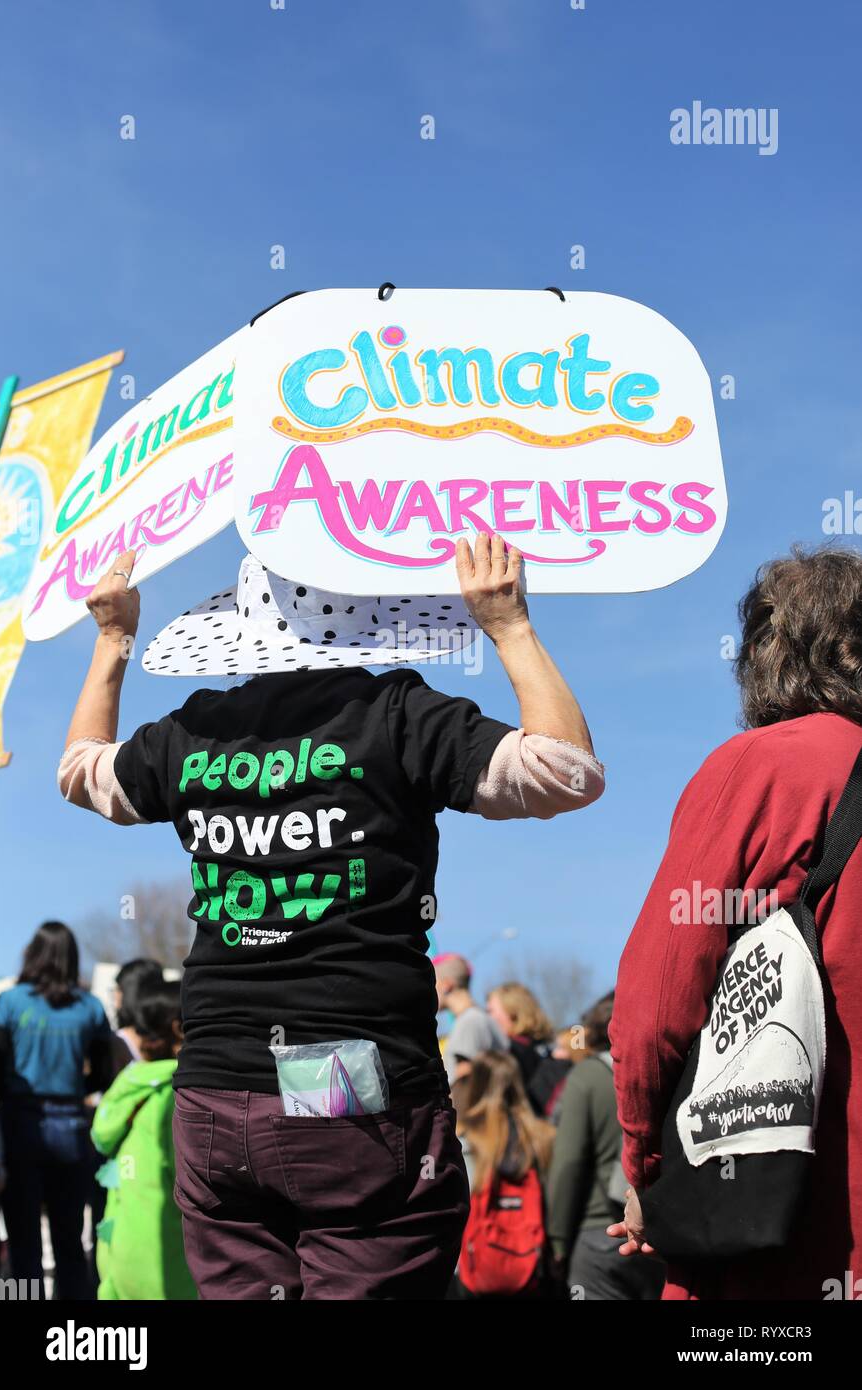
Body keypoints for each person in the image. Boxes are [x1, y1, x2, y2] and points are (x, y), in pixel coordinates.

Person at [57, 533, 605, 1301]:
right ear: (362, 620)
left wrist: (114, 640)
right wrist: (509, 626)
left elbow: (81, 774)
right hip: (351, 1088)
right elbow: (566, 773)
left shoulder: (191, 734)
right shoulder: (397, 717)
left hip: (216, 1095)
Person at [610, 546, 862, 1299]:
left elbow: (657, 998)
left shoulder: (766, 767)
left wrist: (649, 1170)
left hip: (786, 1217)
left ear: (768, 654)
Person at [0, 921, 113, 1300]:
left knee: (23, 1239)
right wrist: (74, 1090)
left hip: (19, 1124)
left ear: (32, 953)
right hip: (73, 1127)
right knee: (68, 1238)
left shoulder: (11, 1002)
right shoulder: (91, 1008)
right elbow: (104, 1073)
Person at [547, 992, 664, 1299]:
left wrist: (557, 1240)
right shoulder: (663, 1071)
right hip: (658, 1235)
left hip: (600, 1233)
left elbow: (568, 1163)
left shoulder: (587, 1077)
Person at [92, 980, 196, 1300]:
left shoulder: (127, 1085)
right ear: (180, 1030)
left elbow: (101, 1136)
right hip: (166, 1261)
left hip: (118, 1252)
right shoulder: (175, 1096)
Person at [453, 1050, 556, 1299]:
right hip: (531, 1264)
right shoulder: (544, 1137)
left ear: (477, 1085)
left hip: (474, 1268)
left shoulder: (464, 1140)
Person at [435, 954, 509, 1086]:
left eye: (432, 983)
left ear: (446, 985)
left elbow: (465, 1081)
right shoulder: (478, 1018)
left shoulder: (469, 1022)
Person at [486, 981, 555, 1105]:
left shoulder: (512, 1051)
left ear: (513, 1012)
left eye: (491, 1011)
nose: (488, 1017)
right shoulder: (546, 1046)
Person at [110, 958, 165, 1073]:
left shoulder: (118, 1042)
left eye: (120, 988)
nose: (115, 994)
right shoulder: (171, 1037)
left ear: (132, 992)